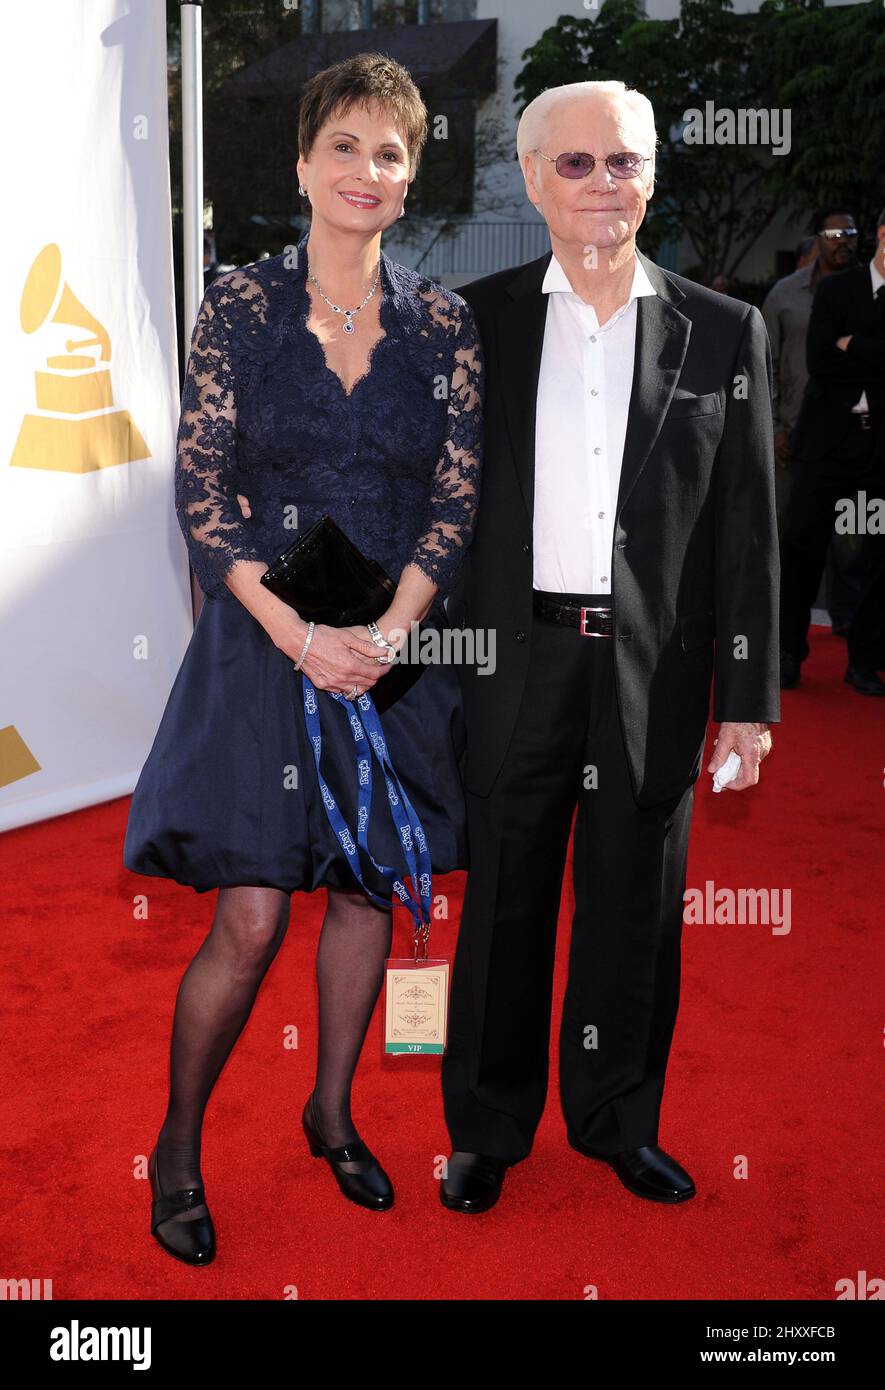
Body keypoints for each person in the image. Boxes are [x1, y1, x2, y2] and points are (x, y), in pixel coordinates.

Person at [123, 52, 483, 1263]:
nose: (365, 170)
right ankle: (178, 1144)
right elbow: (200, 484)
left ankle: (330, 1111)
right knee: (253, 911)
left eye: (390, 152)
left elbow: (455, 499)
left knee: (369, 892)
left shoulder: (444, 322)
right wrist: (295, 628)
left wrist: (387, 633)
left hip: (387, 649)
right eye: (345, 145)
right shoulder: (238, 302)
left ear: (412, 175)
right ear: (302, 164)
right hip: (265, 643)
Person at [437, 80, 779, 1214]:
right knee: (503, 904)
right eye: (575, 164)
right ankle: (487, 1128)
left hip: (654, 675)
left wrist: (749, 696)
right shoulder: (469, 324)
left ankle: (619, 1116)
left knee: (635, 908)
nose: (602, 184)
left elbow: (747, 527)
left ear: (651, 176)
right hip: (515, 661)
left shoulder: (725, 329)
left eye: (623, 162)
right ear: (531, 179)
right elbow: (429, 507)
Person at [779, 207, 885, 694]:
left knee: (878, 557)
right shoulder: (838, 289)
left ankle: (864, 661)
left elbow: (841, 353)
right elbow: (820, 360)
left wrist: (854, 344)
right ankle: (785, 652)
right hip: (825, 445)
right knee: (802, 546)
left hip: (879, 449)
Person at [762, 207, 865, 630]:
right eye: (834, 233)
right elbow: (761, 361)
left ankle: (851, 634)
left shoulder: (869, 292)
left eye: (851, 233)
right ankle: (784, 640)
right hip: (793, 437)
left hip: (857, 436)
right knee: (791, 541)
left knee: (854, 544)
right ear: (817, 237)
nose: (843, 240)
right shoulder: (784, 295)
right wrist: (770, 427)